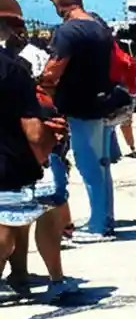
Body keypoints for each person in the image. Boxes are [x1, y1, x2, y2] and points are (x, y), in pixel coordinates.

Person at [36, 0, 117, 244]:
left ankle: (97, 227)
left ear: (59, 1)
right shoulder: (99, 25)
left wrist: (39, 82)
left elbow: (53, 70)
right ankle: (105, 219)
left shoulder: (68, 31)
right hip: (103, 102)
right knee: (102, 165)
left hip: (79, 106)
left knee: (88, 164)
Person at [0, 38, 74, 301]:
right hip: (11, 164)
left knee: (15, 220)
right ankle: (50, 279)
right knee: (10, 227)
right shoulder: (13, 71)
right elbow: (33, 131)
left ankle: (20, 277)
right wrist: (45, 159)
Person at [115, 39, 136, 158]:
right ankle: (131, 147)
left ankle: (118, 149)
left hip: (126, 93)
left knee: (115, 123)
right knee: (126, 123)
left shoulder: (122, 60)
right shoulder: (129, 61)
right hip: (129, 94)